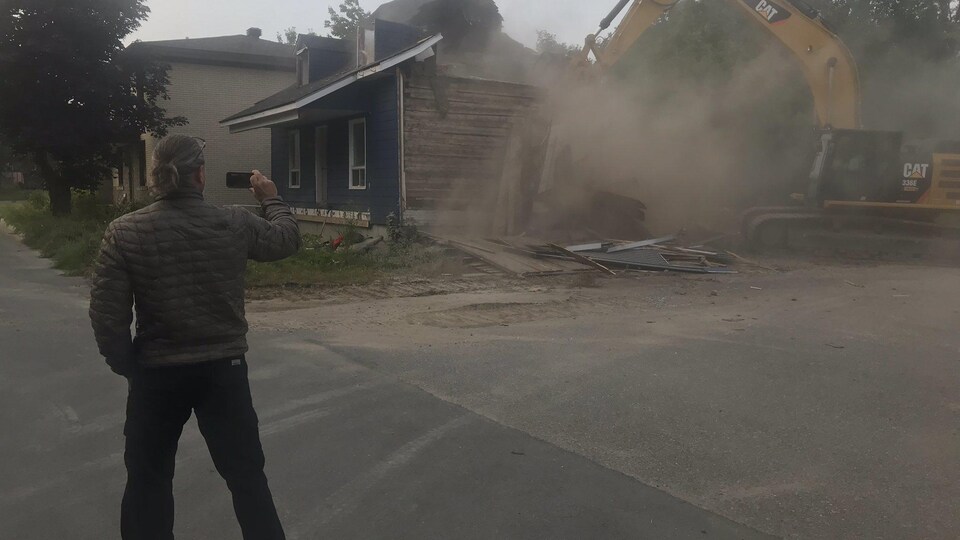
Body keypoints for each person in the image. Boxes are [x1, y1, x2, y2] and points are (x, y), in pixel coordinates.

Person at [89, 135, 301, 540]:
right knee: (247, 479)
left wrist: (131, 367)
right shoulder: (232, 222)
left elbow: (107, 318)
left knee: (148, 481)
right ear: (200, 175)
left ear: (155, 177)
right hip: (224, 372)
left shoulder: (125, 231)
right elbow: (287, 240)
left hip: (157, 374)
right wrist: (270, 197)